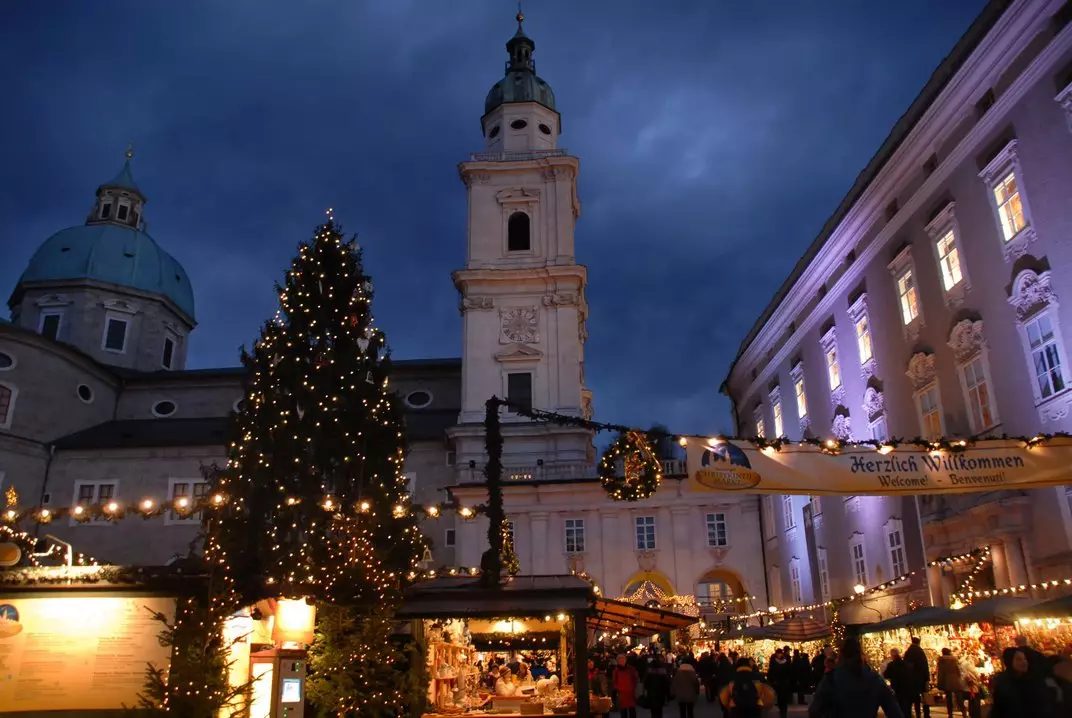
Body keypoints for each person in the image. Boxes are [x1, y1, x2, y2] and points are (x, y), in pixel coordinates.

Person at [808, 638, 904, 718]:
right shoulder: (875, 679)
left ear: (841, 655)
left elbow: (815, 711)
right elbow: (894, 712)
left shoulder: (831, 680)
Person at [990, 647, 1054, 717]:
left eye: (1024, 659)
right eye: (1019, 659)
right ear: (1010, 661)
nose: (1024, 662)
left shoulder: (1029, 680)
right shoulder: (1003, 683)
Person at [903, 637, 931, 718]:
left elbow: (906, 665)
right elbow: (925, 666)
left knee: (914, 696)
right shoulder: (920, 652)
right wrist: (927, 678)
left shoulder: (908, 652)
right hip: (921, 678)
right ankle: (926, 713)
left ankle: (916, 712)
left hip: (911, 678)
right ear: (919, 642)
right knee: (925, 696)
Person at [936, 648, 967, 718]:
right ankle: (963, 711)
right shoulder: (954, 660)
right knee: (959, 697)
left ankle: (950, 714)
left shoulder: (941, 661)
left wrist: (939, 683)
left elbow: (940, 672)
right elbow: (958, 671)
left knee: (949, 698)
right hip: (955, 679)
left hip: (946, 680)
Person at [884, 648, 915, 718]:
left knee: (899, 707)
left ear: (892, 655)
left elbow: (886, 675)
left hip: (896, 688)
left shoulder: (891, 665)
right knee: (907, 708)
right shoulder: (907, 664)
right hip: (907, 688)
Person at [767, 648, 793, 718]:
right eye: (778, 653)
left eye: (780, 653)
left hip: (782, 683)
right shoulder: (777, 661)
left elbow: (789, 672)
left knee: (782, 699)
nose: (779, 655)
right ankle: (782, 712)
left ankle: (783, 713)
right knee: (781, 699)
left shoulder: (784, 661)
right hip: (780, 683)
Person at [612, 654, 640, 718]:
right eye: (619, 660)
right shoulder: (616, 670)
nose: (621, 661)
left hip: (630, 692)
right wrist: (617, 689)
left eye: (623, 659)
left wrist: (633, 687)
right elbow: (614, 681)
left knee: (632, 710)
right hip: (622, 693)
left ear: (625, 660)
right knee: (623, 711)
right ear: (617, 661)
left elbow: (635, 678)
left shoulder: (631, 669)